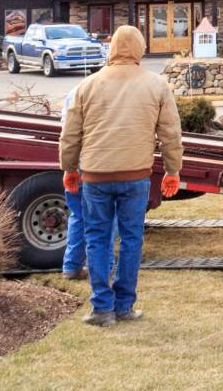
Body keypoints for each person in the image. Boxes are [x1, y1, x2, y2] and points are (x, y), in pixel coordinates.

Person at [59, 25, 183, 326]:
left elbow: (70, 134)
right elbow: (171, 134)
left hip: (95, 177)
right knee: (131, 239)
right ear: (140, 48)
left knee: (97, 239)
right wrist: (172, 170)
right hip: (136, 176)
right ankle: (125, 306)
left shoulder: (87, 86)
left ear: (111, 48)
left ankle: (102, 308)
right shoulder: (157, 85)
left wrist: (69, 168)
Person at [59, 82, 87, 280]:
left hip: (78, 165)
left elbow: (67, 135)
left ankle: (71, 266)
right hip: (96, 166)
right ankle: (104, 267)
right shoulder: (106, 92)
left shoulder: (74, 92)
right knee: (105, 220)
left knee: (78, 216)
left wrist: (69, 168)